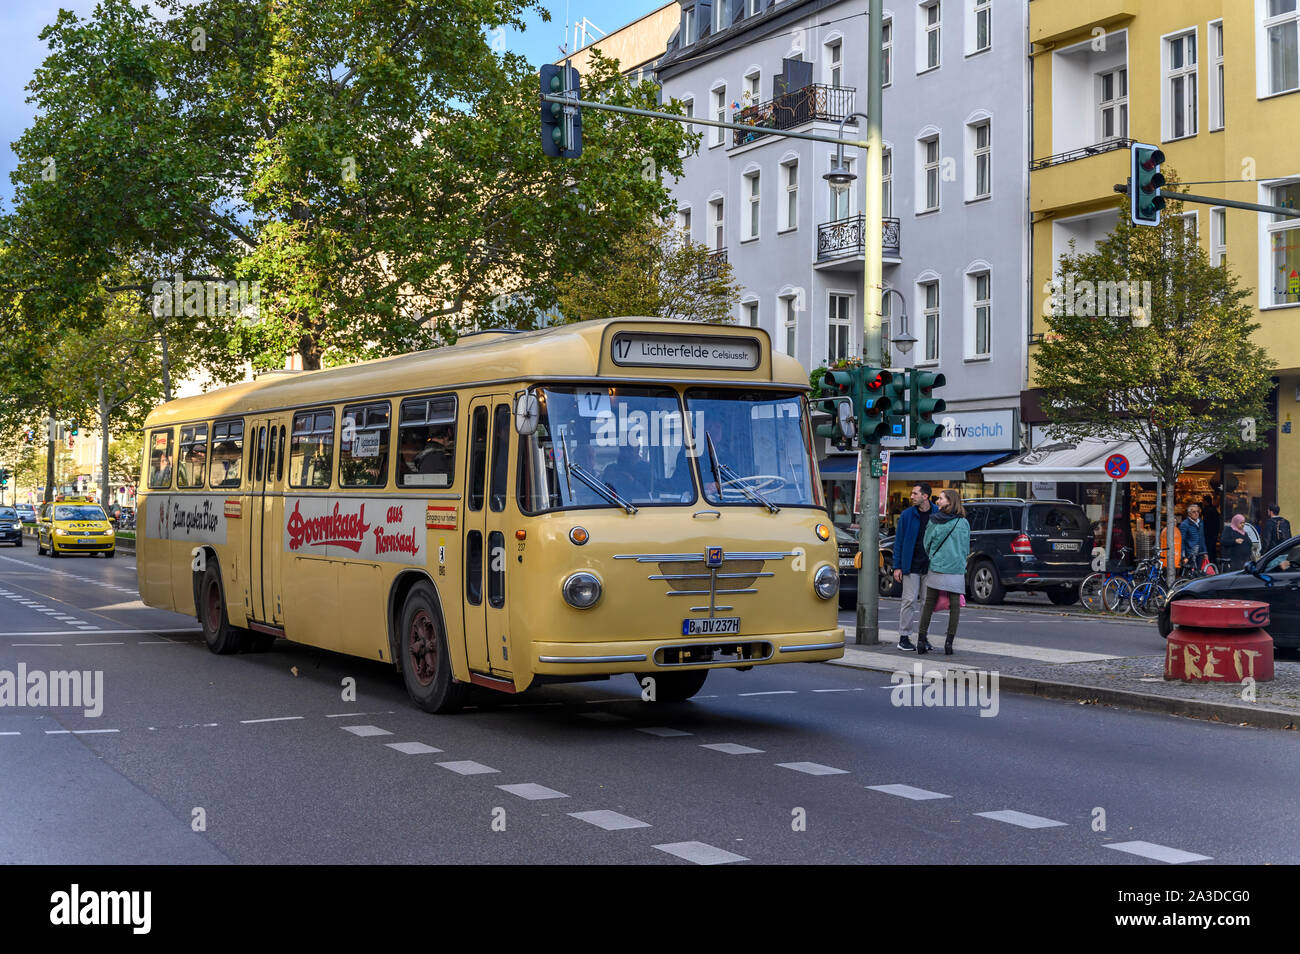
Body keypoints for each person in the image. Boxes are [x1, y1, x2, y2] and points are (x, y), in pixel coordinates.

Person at [915, 489, 970, 656]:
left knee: (929, 603)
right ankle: (949, 643)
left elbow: (927, 543)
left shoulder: (934, 521)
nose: (937, 501)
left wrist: (934, 556)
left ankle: (921, 640)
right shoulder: (963, 523)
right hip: (956, 567)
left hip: (937, 566)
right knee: (955, 606)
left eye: (940, 499)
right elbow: (966, 547)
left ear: (949, 501)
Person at [890, 483, 933, 653]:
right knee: (908, 601)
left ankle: (923, 637)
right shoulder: (907, 515)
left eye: (915, 493)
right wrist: (897, 566)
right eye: (912, 493)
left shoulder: (936, 513)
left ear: (925, 496)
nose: (912, 496)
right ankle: (904, 637)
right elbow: (898, 541)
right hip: (911, 565)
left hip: (930, 565)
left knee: (926, 603)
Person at [1180, 503, 1208, 572]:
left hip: (1200, 553)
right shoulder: (1184, 524)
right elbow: (1182, 541)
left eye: (1198, 511)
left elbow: (1202, 538)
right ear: (1189, 513)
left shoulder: (1201, 522)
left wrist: (1205, 552)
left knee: (1200, 573)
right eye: (1194, 512)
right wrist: (1183, 556)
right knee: (1191, 574)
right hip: (1190, 554)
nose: (1196, 513)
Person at [1201, 494, 1222, 564]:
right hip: (1213, 534)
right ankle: (1213, 565)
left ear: (1206, 502)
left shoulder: (1207, 510)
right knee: (1213, 551)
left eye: (1203, 501)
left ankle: (1209, 565)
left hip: (1208, 534)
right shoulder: (1214, 510)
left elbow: (1206, 523)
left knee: (1209, 551)